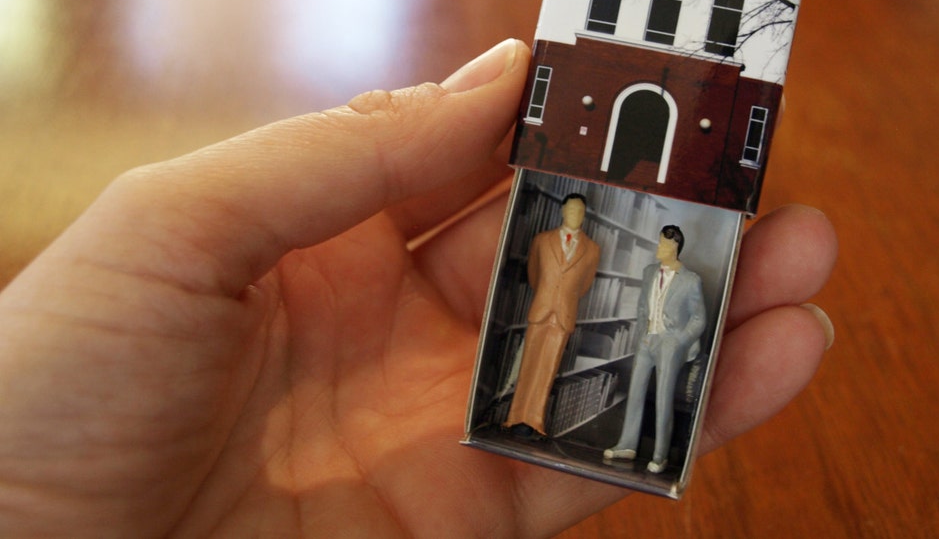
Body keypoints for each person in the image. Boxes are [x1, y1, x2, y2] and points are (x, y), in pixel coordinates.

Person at [0, 38, 837, 536]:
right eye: (584, 208)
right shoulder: (550, 238)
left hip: (599, 329)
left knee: (642, 400)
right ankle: (536, 417)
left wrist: (671, 336)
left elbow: (667, 315)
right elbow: (535, 268)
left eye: (652, 235)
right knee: (530, 376)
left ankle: (623, 438)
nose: (595, 222)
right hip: (540, 318)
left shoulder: (657, 272)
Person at [604, 225, 705, 473]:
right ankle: (627, 444)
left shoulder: (691, 280)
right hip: (647, 339)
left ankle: (660, 455)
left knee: (663, 397)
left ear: (674, 248)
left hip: (669, 343)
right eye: (659, 243)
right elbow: (642, 306)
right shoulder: (649, 272)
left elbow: (699, 318)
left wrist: (680, 339)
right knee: (634, 391)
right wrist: (641, 332)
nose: (658, 248)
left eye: (663, 244)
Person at [504, 193, 600, 438]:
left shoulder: (592, 249)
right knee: (529, 363)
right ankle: (516, 417)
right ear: (562, 211)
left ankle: (534, 421)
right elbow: (534, 274)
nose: (574, 215)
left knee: (548, 368)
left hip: (564, 313)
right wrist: (547, 295)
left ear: (584, 215)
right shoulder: (542, 240)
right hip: (541, 308)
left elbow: (585, 285)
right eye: (570, 210)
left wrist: (564, 298)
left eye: (579, 211)